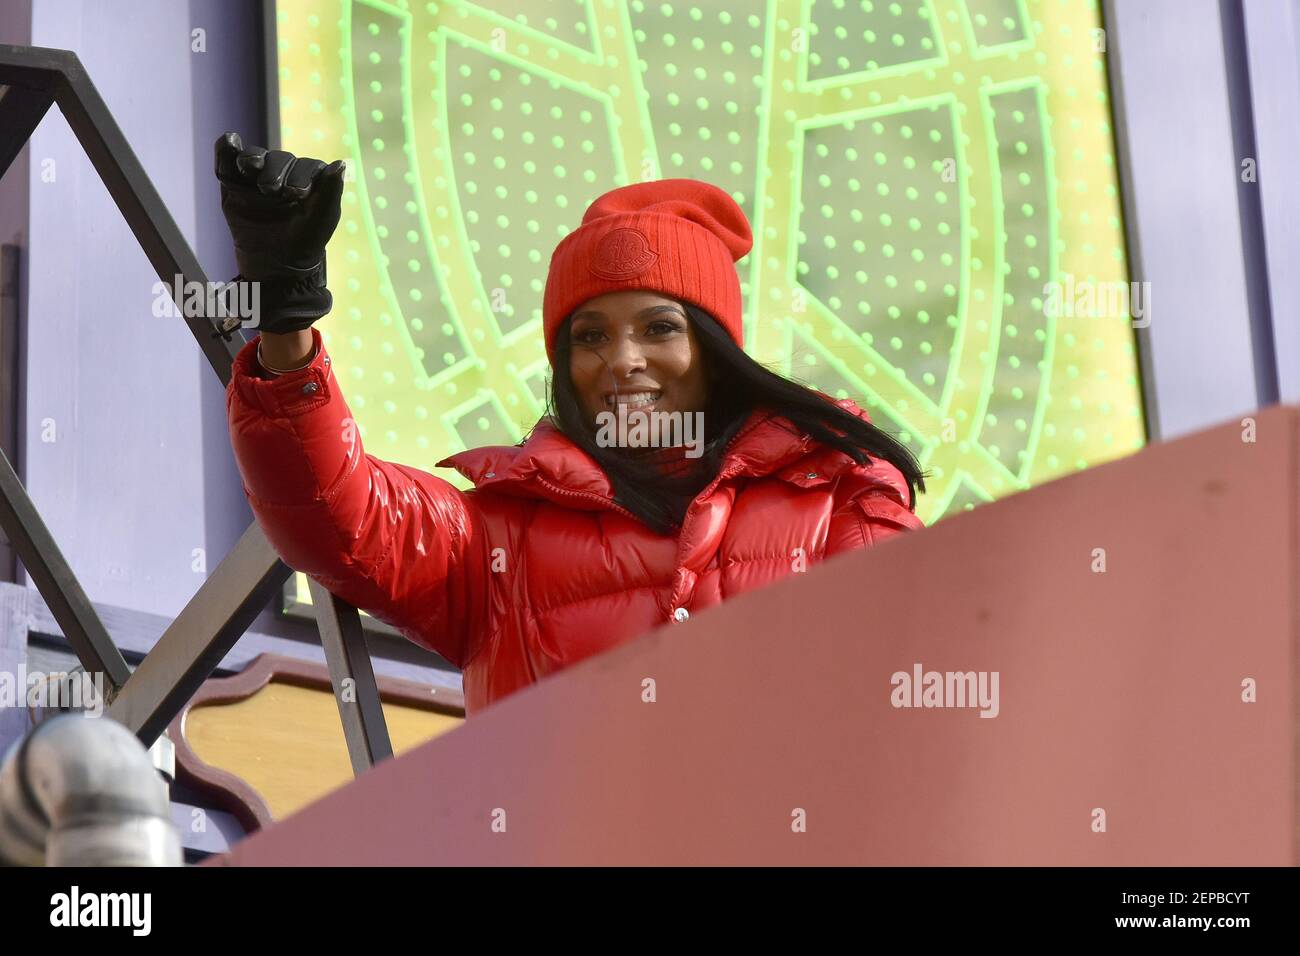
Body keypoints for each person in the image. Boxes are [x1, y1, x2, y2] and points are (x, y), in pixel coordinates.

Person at [216, 132, 928, 716]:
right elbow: (338, 513)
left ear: (715, 352)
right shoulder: (499, 541)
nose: (622, 360)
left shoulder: (837, 493)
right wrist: (287, 322)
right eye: (589, 337)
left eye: (660, 328)